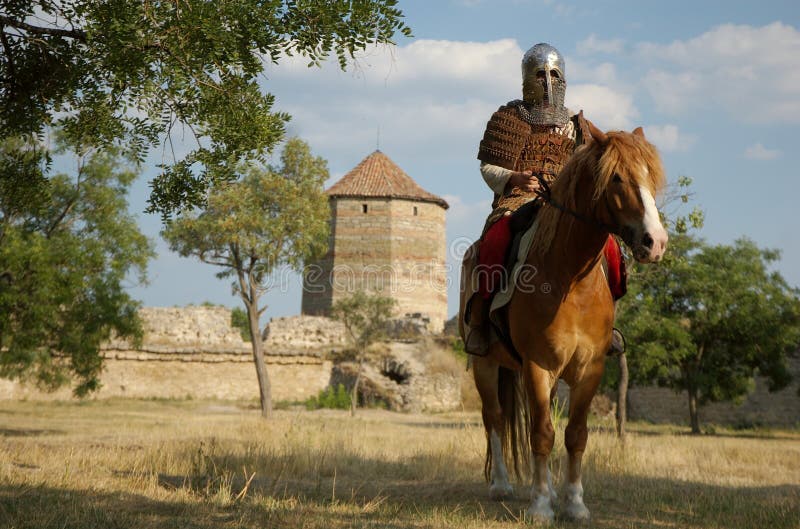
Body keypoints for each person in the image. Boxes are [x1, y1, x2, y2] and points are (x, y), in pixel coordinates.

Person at [464, 42, 625, 356]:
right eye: (540, 74)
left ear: (563, 78)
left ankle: (608, 321)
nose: (547, 81)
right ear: (527, 78)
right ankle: (483, 318)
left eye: (553, 74)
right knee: (496, 241)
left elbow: (591, 172)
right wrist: (514, 178)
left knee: (612, 249)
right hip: (519, 198)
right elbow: (488, 167)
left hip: (566, 205)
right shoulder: (509, 117)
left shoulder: (578, 127)